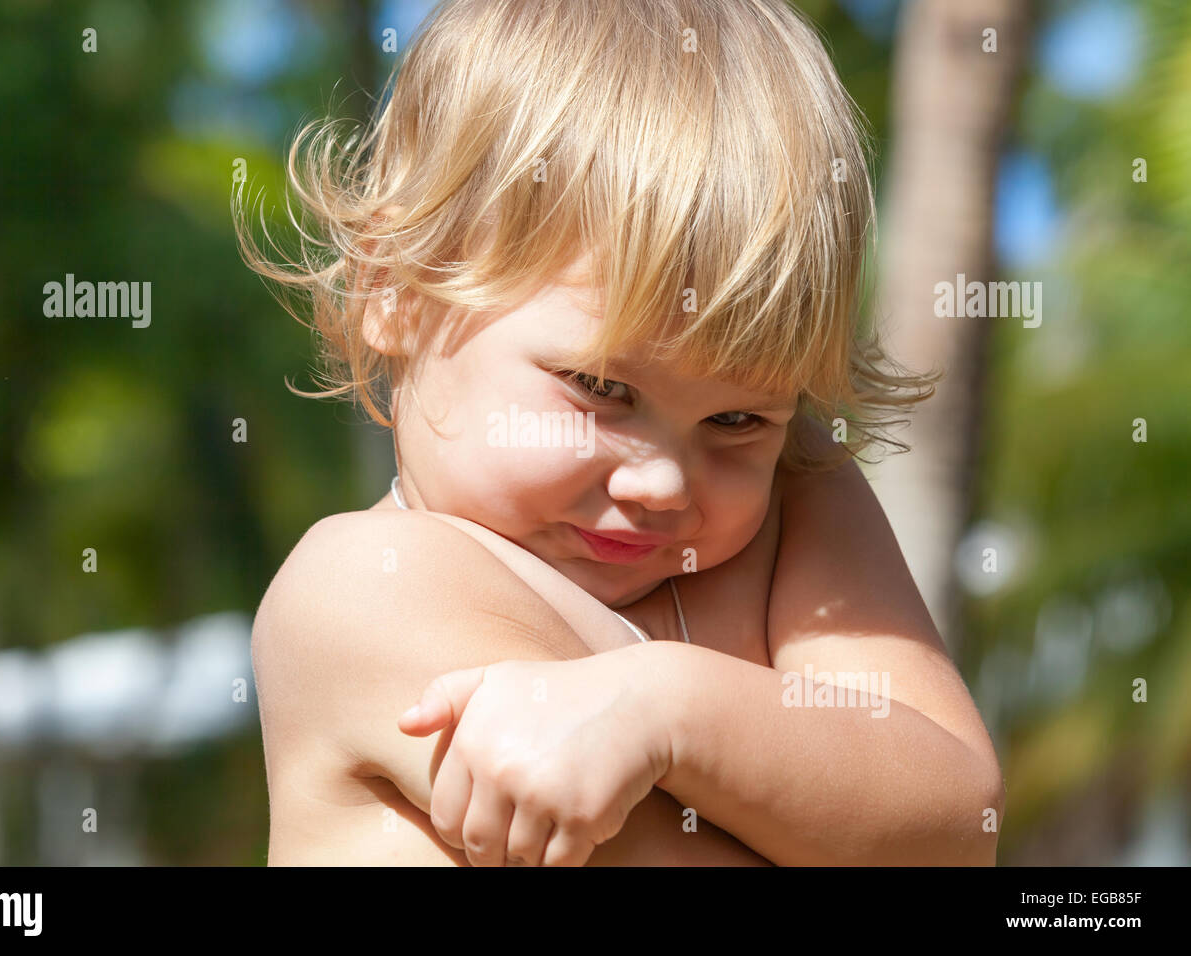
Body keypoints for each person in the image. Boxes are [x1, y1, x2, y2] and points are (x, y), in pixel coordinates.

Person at [238, 0, 1005, 866]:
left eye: (737, 418)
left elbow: (953, 821)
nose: (665, 482)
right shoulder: (365, 588)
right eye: (600, 388)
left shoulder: (797, 490)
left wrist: (667, 707)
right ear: (397, 289)